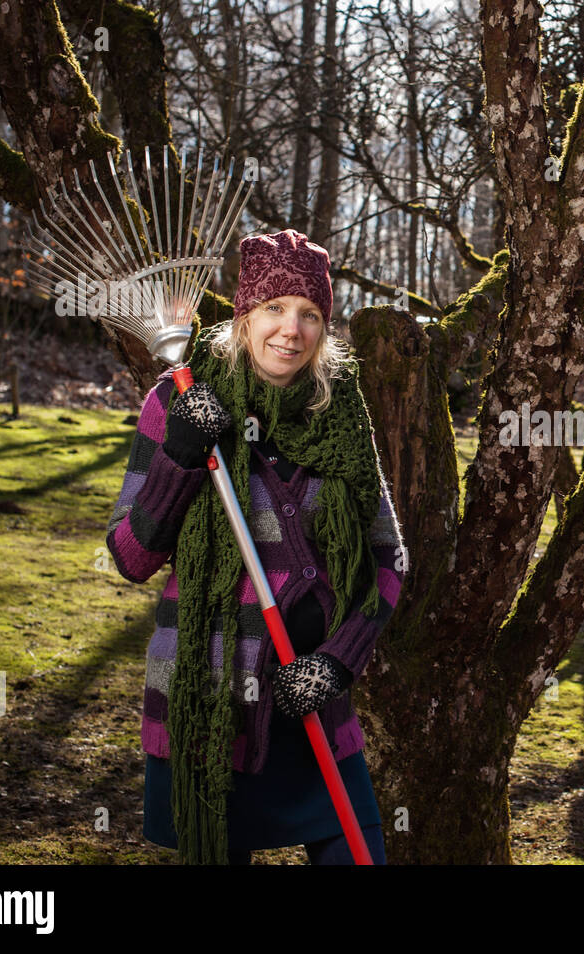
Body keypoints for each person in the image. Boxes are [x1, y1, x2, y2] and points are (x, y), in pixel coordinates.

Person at [105, 228, 407, 865]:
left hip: (312, 699)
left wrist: (340, 660)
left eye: (310, 314)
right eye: (274, 308)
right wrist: (181, 457)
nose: (290, 330)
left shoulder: (341, 411)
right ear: (243, 316)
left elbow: (388, 556)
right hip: (210, 701)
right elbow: (132, 555)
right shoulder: (178, 400)